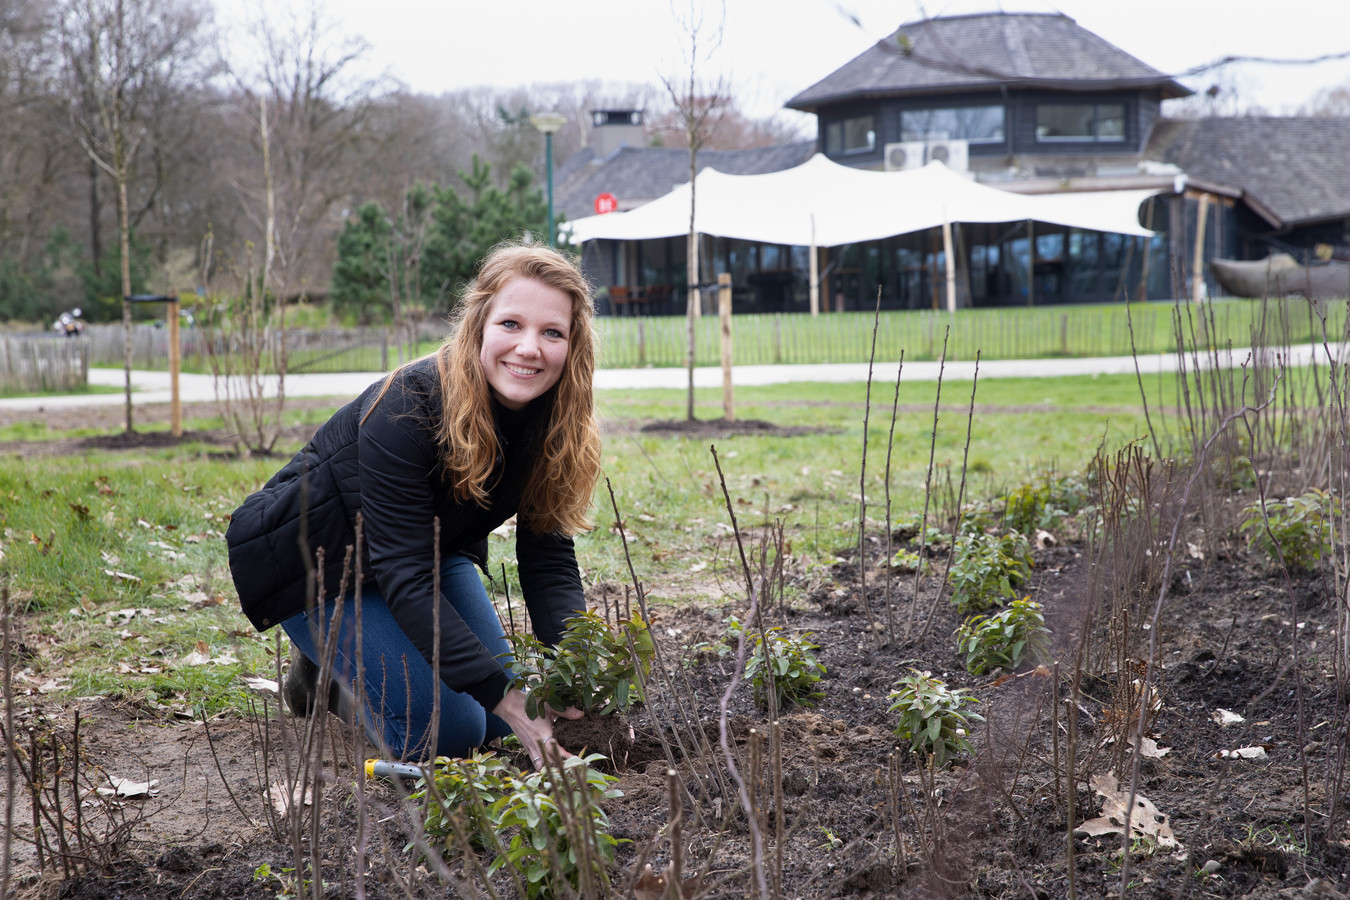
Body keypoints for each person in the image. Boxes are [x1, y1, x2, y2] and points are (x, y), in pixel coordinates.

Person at [226, 243, 602, 769]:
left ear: (573, 344)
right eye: (511, 324)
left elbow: (549, 563)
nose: (529, 348)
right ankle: (334, 682)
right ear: (478, 324)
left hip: (423, 552)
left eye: (552, 332)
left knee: (497, 717)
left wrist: (575, 670)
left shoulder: (554, 424)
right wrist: (506, 696)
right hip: (315, 562)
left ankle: (356, 659)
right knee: (452, 730)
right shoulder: (410, 403)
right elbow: (404, 574)